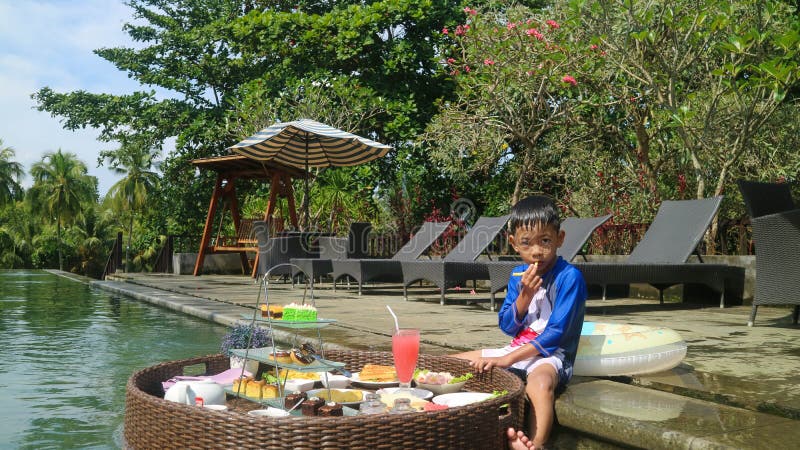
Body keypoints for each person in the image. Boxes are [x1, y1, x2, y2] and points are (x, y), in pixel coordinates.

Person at [453, 195, 587, 449]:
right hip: (518, 349)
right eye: (527, 243)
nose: (537, 251)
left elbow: (556, 333)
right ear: (514, 243)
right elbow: (507, 326)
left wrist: (506, 360)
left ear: (560, 238)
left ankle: (534, 444)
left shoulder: (570, 277)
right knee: (453, 363)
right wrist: (524, 296)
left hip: (553, 355)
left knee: (539, 384)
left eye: (545, 241)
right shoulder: (518, 276)